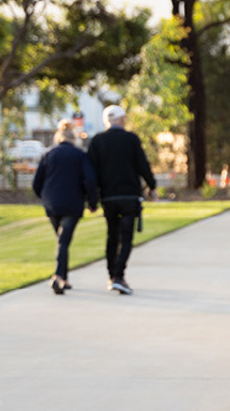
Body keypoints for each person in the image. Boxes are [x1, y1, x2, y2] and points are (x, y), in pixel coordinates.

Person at [87, 104, 157, 295]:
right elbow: (143, 165)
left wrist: (92, 197)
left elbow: (90, 172)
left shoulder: (97, 141)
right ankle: (119, 275)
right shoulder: (130, 139)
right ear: (122, 119)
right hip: (129, 195)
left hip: (109, 196)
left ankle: (112, 276)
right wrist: (152, 186)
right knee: (126, 237)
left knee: (112, 236)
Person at [32, 120, 98, 295]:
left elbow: (37, 182)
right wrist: (92, 202)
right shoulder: (79, 155)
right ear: (73, 138)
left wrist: (44, 198)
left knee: (62, 241)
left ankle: (64, 278)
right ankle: (59, 276)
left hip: (52, 204)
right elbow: (90, 180)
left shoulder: (49, 155)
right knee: (64, 241)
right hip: (73, 204)